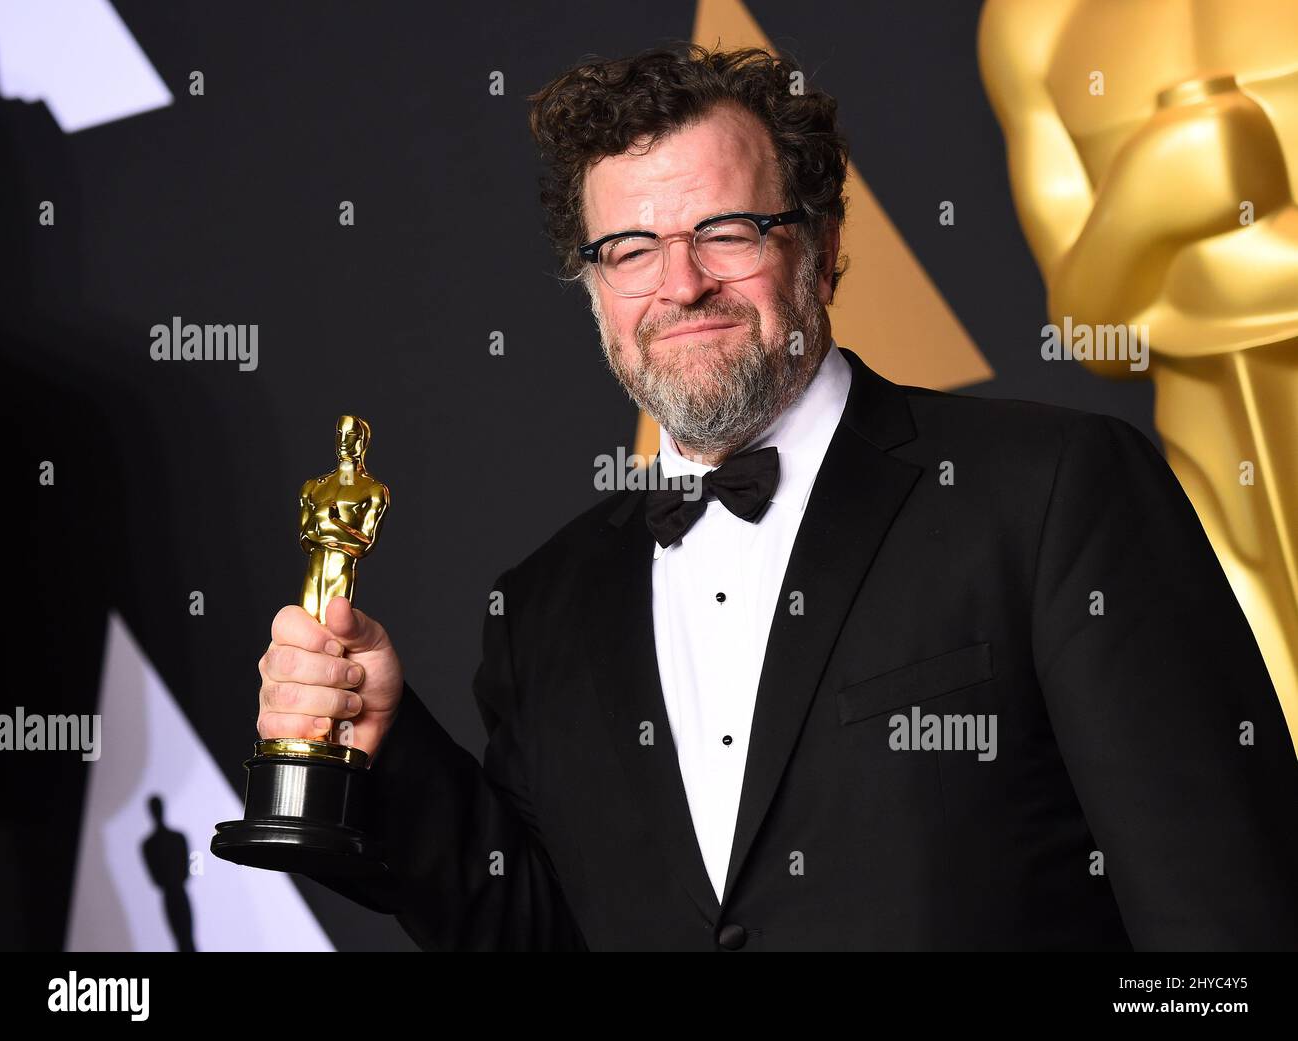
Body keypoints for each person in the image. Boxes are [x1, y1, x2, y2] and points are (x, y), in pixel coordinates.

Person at [253, 45, 1298, 951]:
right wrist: (386, 752)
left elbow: (1225, 918)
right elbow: (540, 934)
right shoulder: (542, 606)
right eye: (630, 249)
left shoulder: (1053, 490)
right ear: (593, 285)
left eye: (728, 231)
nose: (681, 284)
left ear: (826, 247)